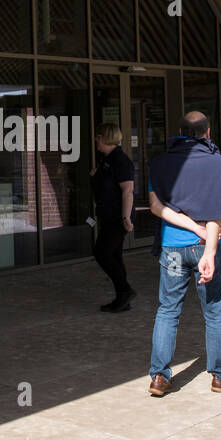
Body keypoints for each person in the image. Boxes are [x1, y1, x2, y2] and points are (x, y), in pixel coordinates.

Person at [146, 111, 221, 397]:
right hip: (205, 248)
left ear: (180, 131)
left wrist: (189, 227)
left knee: (167, 310)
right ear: (208, 132)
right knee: (214, 313)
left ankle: (159, 378)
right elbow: (217, 214)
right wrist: (208, 246)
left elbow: (156, 207)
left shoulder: (160, 163)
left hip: (173, 249)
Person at [90, 123, 136, 312]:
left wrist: (125, 218)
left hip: (117, 217)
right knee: (114, 255)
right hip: (109, 215)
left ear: (105, 138)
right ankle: (122, 297)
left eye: (98, 137)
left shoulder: (120, 160)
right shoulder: (107, 159)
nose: (96, 141)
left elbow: (128, 190)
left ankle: (125, 291)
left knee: (102, 253)